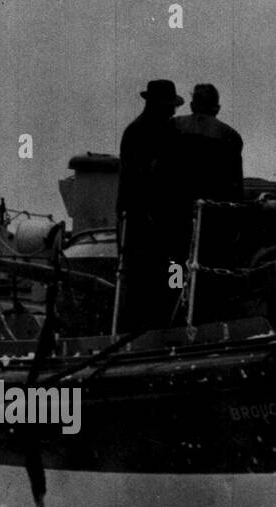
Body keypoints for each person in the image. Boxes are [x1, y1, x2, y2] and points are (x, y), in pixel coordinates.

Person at [116, 79, 182, 332]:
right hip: (150, 221)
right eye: (169, 105)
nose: (173, 110)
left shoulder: (142, 130)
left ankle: (161, 321)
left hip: (155, 221)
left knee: (167, 274)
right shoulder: (145, 133)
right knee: (159, 275)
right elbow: (137, 179)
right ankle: (151, 329)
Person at [165, 83, 245, 287]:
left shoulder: (173, 127)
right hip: (214, 218)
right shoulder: (231, 136)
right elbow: (236, 186)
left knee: (176, 261)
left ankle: (175, 293)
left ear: (192, 105)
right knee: (209, 269)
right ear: (217, 108)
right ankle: (205, 307)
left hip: (175, 213)